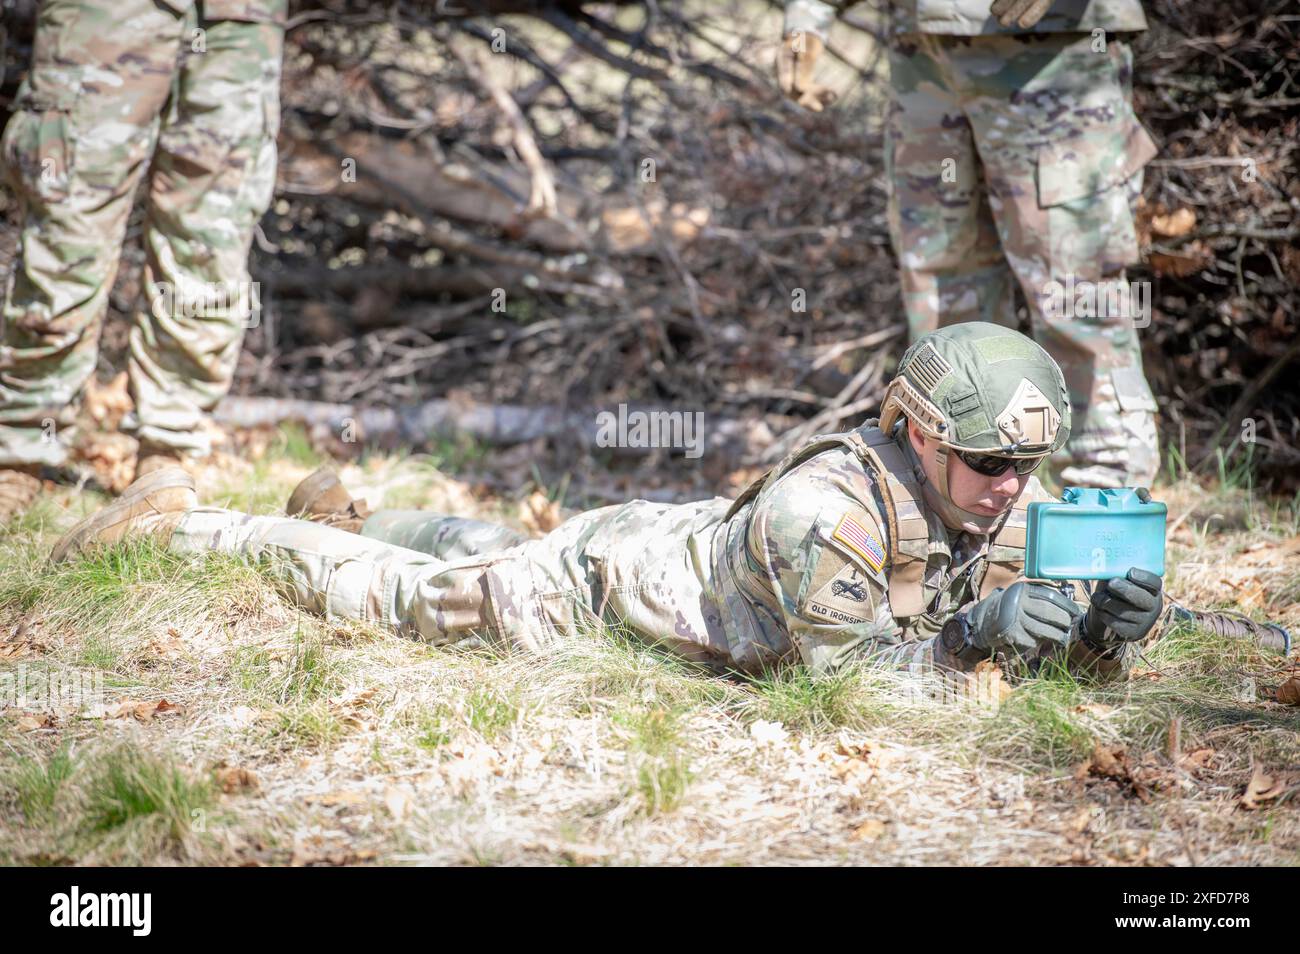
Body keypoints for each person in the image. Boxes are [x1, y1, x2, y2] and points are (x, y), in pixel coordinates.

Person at [51, 323, 1166, 685]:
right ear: (918, 430)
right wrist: (973, 636)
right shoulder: (829, 513)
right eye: (986, 462)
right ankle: (195, 522)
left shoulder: (992, 489)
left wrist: (1111, 629)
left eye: (1025, 465)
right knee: (415, 599)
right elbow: (849, 681)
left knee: (494, 544)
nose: (1012, 487)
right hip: (606, 593)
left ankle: (351, 507)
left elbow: (1029, 596)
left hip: (670, 536)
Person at [777, 0, 1161, 490]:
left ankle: (1105, 514)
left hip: (1052, 48)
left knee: (1074, 286)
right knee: (946, 300)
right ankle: (963, 504)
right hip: (924, 51)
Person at [0, 0, 286, 519]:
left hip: (240, 14)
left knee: (212, 222)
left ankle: (168, 448)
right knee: (69, 207)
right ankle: (20, 445)